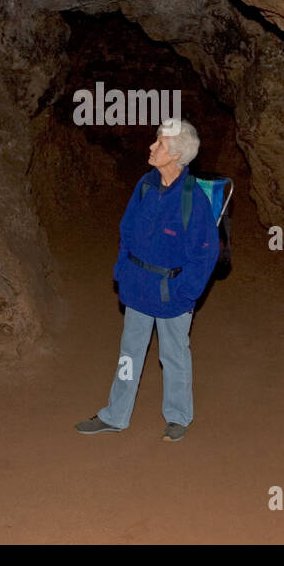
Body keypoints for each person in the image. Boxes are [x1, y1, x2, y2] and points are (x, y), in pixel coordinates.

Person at [75, 117, 221, 442]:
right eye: (155, 141)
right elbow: (126, 230)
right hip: (138, 286)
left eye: (160, 144)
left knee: (173, 356)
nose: (152, 147)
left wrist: (185, 292)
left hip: (172, 293)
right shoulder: (145, 185)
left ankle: (178, 417)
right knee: (129, 353)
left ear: (176, 155)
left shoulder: (192, 200)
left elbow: (205, 253)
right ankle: (115, 415)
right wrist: (122, 270)